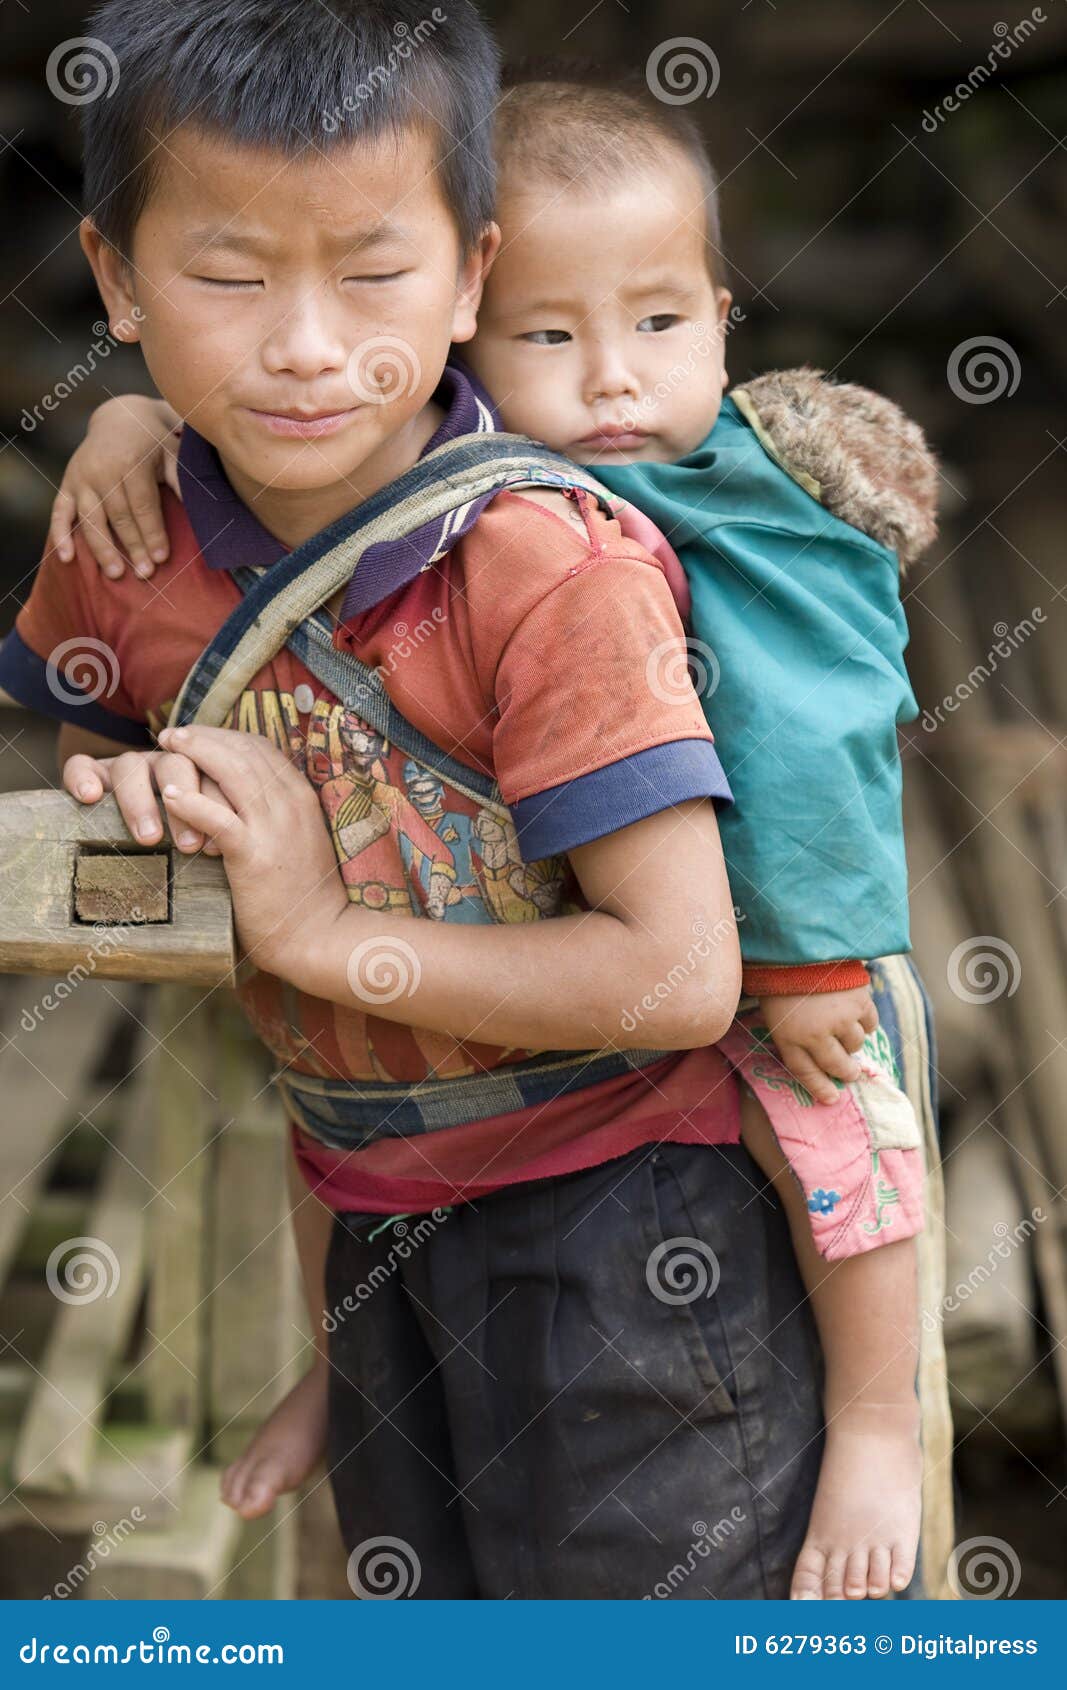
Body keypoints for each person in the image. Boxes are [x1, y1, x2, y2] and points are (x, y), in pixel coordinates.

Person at [25, 41, 938, 1603]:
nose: (307, 349)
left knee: (841, 1129)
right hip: (376, 1200)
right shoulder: (140, 529)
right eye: (229, 276)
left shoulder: (564, 562)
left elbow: (686, 965)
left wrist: (316, 927)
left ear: (461, 278)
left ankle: (882, 1422)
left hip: (632, 1216)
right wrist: (123, 792)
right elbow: (95, 729)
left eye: (372, 270)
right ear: (117, 279)